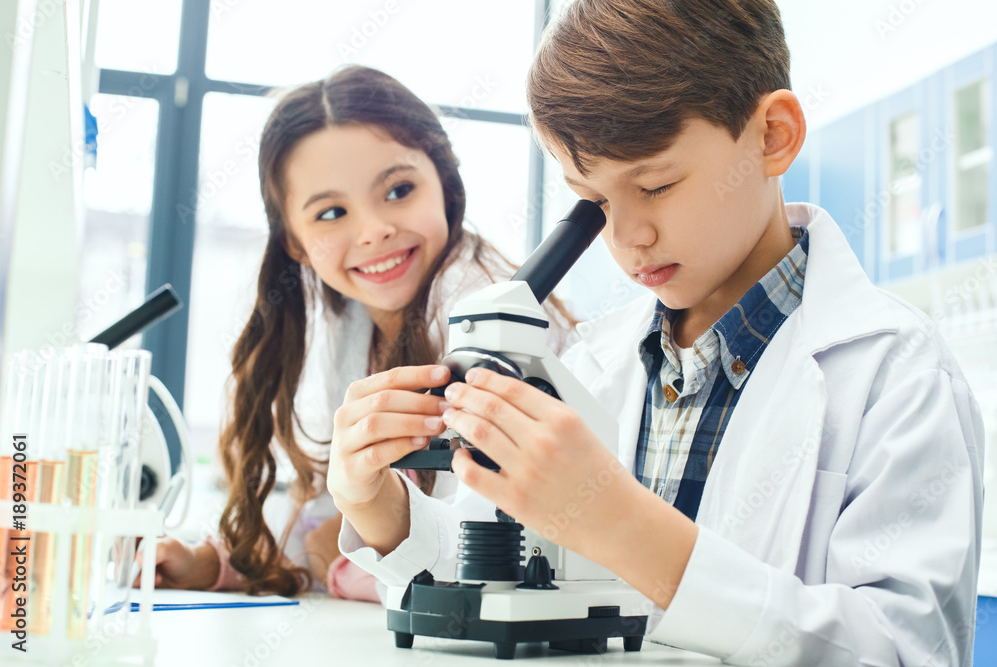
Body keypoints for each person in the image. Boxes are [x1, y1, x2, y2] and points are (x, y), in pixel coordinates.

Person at [335, 1, 984, 664]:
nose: (627, 237)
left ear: (773, 136)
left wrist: (625, 527)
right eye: (595, 201)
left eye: (656, 185)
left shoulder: (896, 373)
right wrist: (380, 507)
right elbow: (493, 569)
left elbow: (905, 649)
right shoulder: (589, 361)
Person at [139, 65, 575, 600]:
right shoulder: (346, 321)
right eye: (331, 212)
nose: (373, 231)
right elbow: (319, 510)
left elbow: (494, 559)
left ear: (445, 184)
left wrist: (341, 562)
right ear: (294, 243)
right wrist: (212, 563)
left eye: (399, 190)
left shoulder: (494, 325)